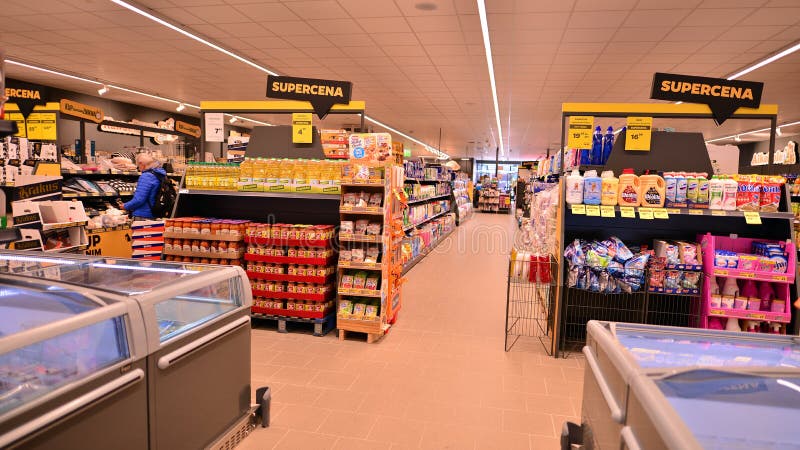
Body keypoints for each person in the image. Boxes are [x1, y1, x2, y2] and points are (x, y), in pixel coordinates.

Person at [120, 153, 167, 220]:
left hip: (143, 215)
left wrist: (126, 206)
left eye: (138, 166)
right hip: (156, 213)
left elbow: (139, 199)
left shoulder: (146, 176)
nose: (139, 168)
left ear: (141, 163)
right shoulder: (160, 174)